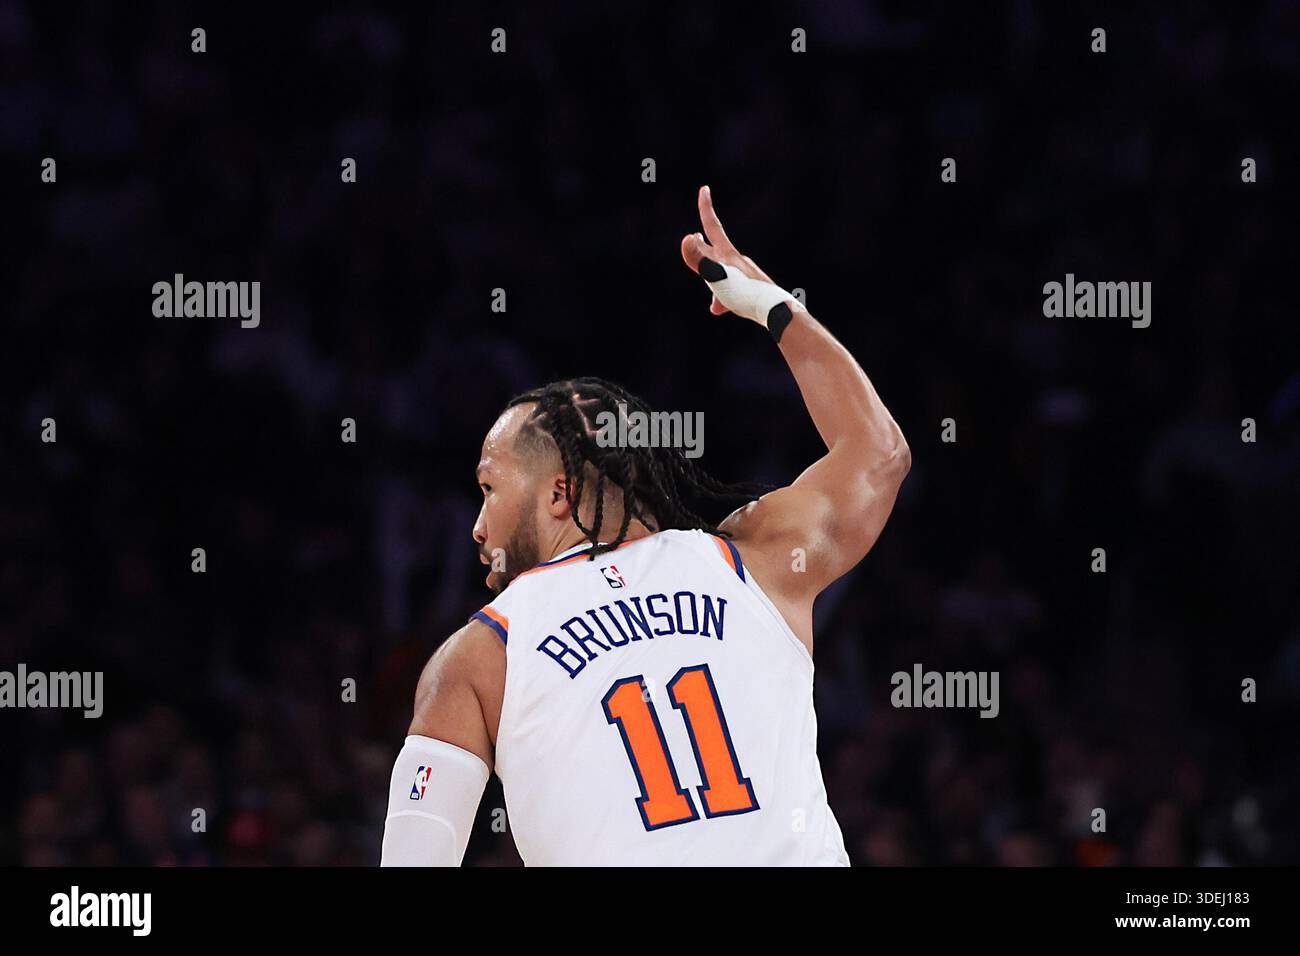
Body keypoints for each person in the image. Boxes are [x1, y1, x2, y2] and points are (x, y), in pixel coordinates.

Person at [380, 185, 910, 865]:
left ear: (558, 495)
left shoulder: (482, 655)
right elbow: (878, 454)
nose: (478, 527)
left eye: (489, 488)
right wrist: (771, 306)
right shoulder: (751, 564)